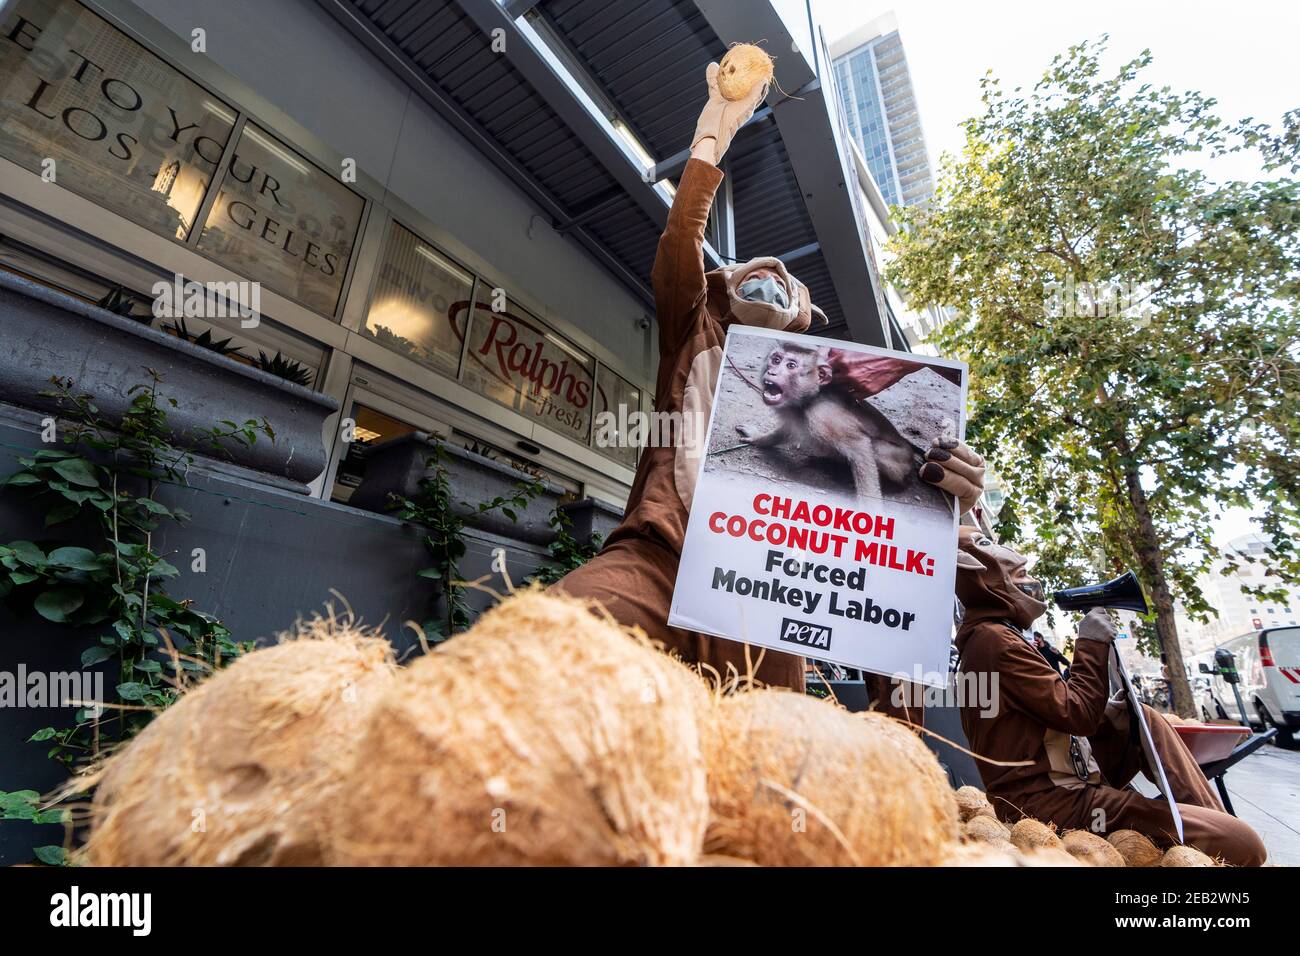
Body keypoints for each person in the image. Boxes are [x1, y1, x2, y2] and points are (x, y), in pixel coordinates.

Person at [553, 61, 986, 692]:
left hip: (767, 600)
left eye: (783, 284)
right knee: (551, 643)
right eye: (750, 274)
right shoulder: (692, 332)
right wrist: (711, 137)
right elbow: (679, 248)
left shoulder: (821, 395)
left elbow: (882, 615)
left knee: (772, 765)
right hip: (662, 558)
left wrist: (945, 514)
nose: (768, 276)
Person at [953, 526, 1266, 866]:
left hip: (1065, 781)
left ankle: (1201, 832)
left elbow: (1056, 718)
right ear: (971, 571)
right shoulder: (994, 641)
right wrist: (1089, 644)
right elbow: (1078, 715)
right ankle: (1213, 834)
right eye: (986, 543)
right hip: (1052, 802)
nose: (1017, 557)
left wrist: (1109, 713)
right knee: (1245, 844)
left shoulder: (995, 637)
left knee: (1142, 718)